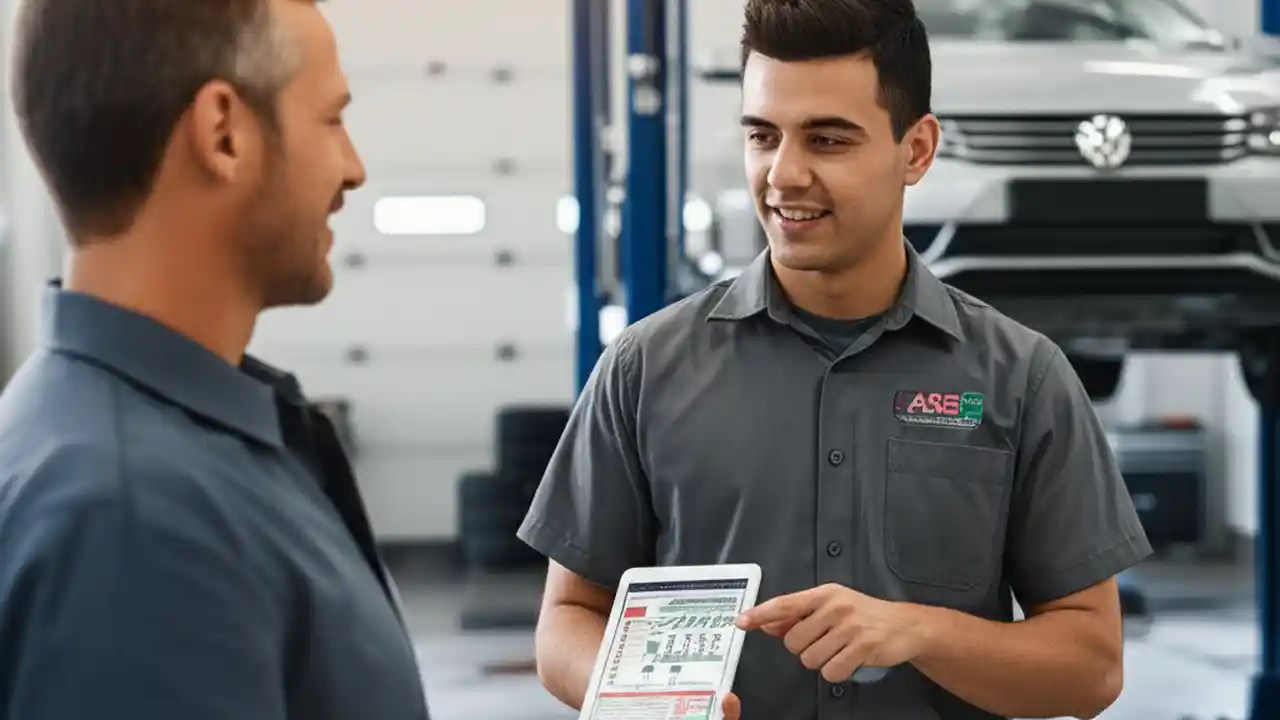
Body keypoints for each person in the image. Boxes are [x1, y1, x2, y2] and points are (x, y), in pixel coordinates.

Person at [518, 1, 1151, 718]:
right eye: (763, 136)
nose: (782, 176)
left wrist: (919, 631)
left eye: (827, 140)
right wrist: (651, 702)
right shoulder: (644, 368)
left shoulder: (1021, 378)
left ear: (915, 150)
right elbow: (566, 620)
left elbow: (1091, 668)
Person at [0, 1, 430, 718]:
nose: (353, 170)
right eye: (331, 119)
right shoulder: (133, 524)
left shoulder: (147, 451)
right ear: (223, 132)